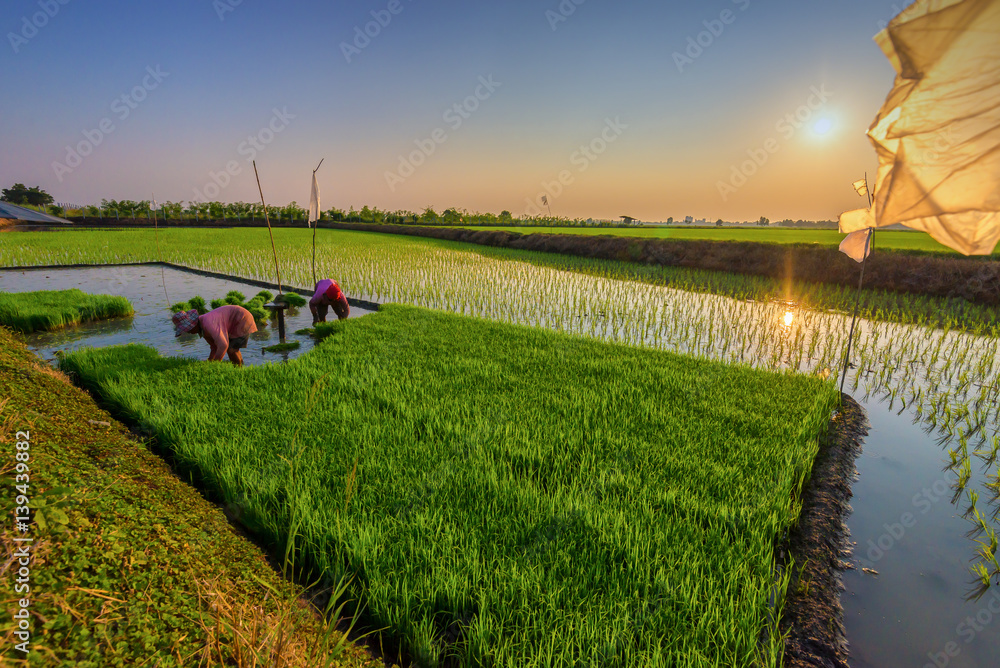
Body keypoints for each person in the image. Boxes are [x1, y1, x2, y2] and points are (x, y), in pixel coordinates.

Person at [172, 304, 258, 366]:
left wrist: (216, 364)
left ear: (193, 324)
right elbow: (214, 347)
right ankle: (240, 367)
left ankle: (238, 370)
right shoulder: (202, 328)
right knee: (232, 349)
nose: (188, 332)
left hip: (241, 318)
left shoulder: (208, 324)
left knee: (231, 349)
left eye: (188, 329)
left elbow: (223, 345)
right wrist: (210, 361)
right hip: (234, 319)